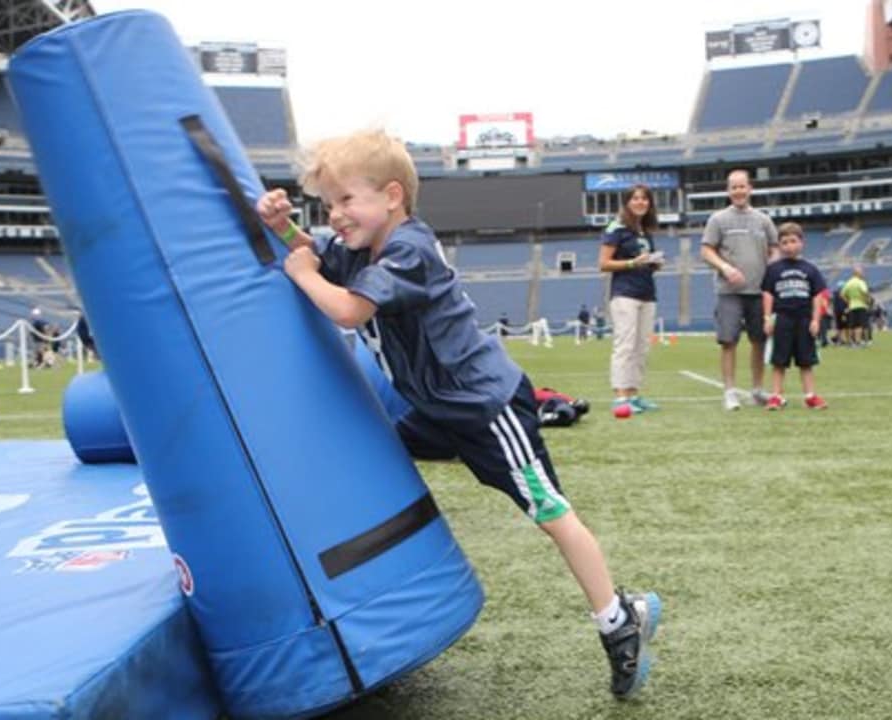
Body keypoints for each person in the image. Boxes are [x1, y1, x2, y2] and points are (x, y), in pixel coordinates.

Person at [256, 129, 660, 700]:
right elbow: (322, 256)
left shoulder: (408, 250)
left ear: (392, 196)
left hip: (484, 409)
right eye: (327, 205)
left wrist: (298, 272)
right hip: (435, 409)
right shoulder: (368, 246)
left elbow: (345, 308)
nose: (334, 216)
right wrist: (283, 229)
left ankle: (619, 619)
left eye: (346, 200)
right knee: (374, 454)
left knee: (549, 510)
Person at [700, 168, 778, 410]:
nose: (738, 191)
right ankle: (730, 391)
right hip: (729, 292)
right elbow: (706, 250)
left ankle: (757, 389)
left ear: (750, 188)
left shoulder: (763, 220)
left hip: (758, 292)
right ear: (728, 190)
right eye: (734, 187)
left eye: (742, 186)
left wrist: (773, 264)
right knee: (728, 342)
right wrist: (725, 267)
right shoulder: (718, 219)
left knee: (759, 341)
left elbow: (775, 247)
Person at [598, 183, 663, 416]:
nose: (640, 202)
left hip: (646, 292)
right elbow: (603, 264)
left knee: (642, 346)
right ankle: (620, 397)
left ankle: (634, 394)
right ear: (627, 202)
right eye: (635, 198)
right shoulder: (617, 227)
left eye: (644, 199)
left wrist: (653, 263)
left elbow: (642, 261)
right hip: (625, 293)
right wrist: (632, 263)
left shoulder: (644, 230)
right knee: (625, 345)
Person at [760, 222, 829, 411]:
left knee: (806, 361)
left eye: (793, 241)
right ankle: (776, 396)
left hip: (804, 319)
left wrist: (816, 320)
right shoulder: (773, 269)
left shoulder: (810, 269)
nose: (789, 246)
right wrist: (767, 318)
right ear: (779, 245)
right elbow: (768, 294)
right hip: (782, 319)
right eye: (784, 242)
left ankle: (810, 395)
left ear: (801, 242)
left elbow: (817, 296)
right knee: (779, 361)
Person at [839, 266, 871, 347]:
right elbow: (864, 291)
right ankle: (858, 341)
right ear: (858, 273)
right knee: (859, 325)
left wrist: (849, 301)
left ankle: (851, 342)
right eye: (862, 272)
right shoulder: (860, 282)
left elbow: (842, 294)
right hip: (860, 305)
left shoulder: (848, 282)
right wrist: (867, 300)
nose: (863, 273)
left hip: (852, 306)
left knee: (852, 325)